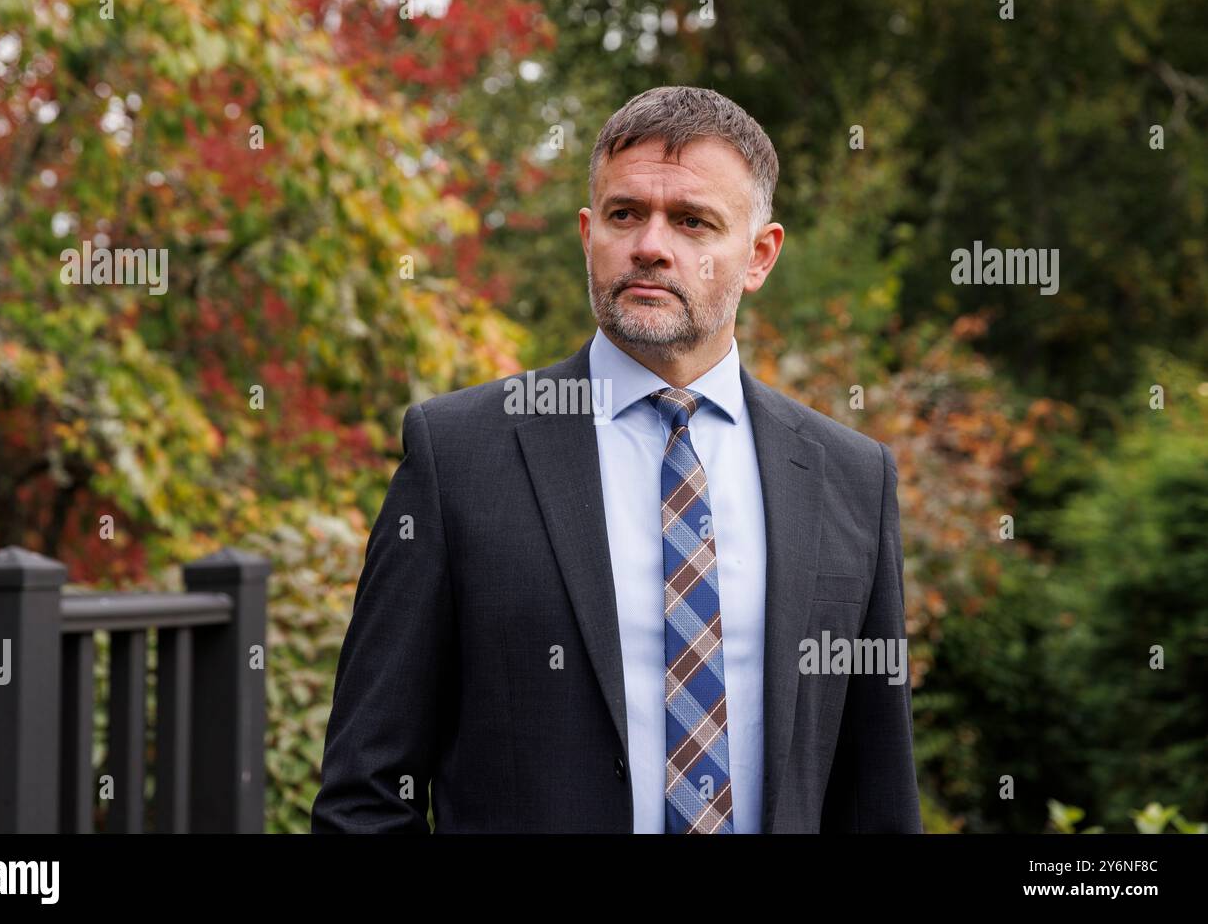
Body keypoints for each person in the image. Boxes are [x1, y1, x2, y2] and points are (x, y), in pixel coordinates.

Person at [311, 85, 922, 833]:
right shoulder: (459, 454)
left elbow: (878, 796)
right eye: (625, 213)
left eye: (693, 221)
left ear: (760, 256)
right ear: (587, 232)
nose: (651, 245)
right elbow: (366, 791)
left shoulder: (851, 477)